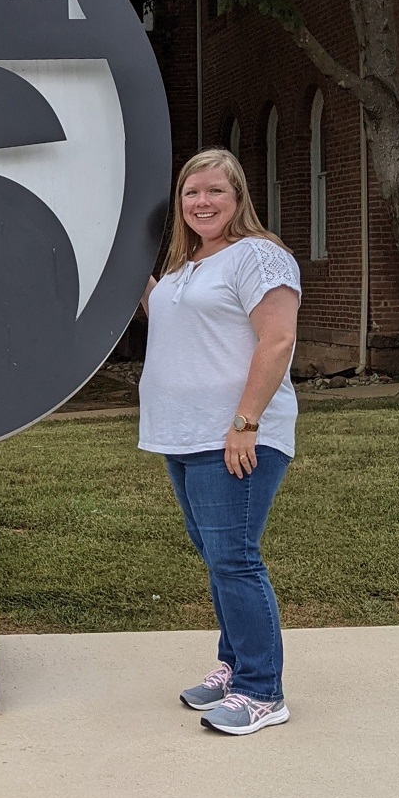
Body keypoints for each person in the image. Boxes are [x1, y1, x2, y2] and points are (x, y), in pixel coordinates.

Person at [138, 146, 301, 735]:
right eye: (191, 193)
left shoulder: (258, 257)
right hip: (182, 435)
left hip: (234, 434)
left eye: (215, 192)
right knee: (216, 556)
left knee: (235, 558)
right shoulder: (189, 269)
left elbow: (277, 340)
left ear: (238, 199)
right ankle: (233, 667)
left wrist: (245, 423)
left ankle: (263, 691)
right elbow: (175, 321)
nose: (201, 203)